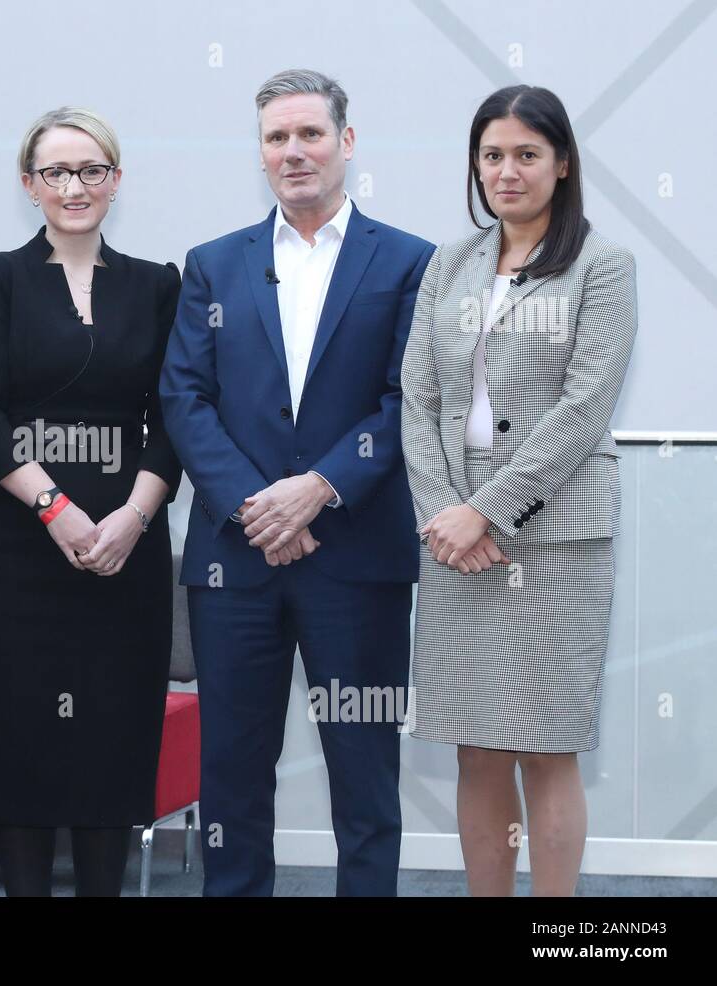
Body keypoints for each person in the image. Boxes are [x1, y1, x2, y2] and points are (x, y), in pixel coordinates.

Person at [160, 69, 434, 896]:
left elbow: (407, 400)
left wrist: (316, 487)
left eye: (310, 133)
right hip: (233, 563)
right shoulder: (212, 265)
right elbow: (185, 396)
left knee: (364, 775)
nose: (293, 151)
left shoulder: (411, 262)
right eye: (277, 137)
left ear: (346, 143)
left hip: (358, 559)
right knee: (233, 773)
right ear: (261, 152)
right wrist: (258, 504)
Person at [401, 85, 637, 897]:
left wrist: (484, 511)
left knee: (545, 742)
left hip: (555, 537)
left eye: (527, 155)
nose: (507, 171)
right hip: (453, 541)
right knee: (476, 744)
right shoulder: (450, 262)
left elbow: (583, 409)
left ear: (562, 164)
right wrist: (443, 513)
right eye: (493, 155)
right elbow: (420, 397)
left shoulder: (604, 266)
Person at [0, 107, 183, 896]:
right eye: (56, 171)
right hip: (11, 545)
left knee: (112, 737)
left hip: (127, 543)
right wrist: (56, 508)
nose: (74, 186)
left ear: (116, 181)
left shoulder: (157, 284)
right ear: (29, 185)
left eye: (91, 170)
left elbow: (174, 415)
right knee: (17, 738)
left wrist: (135, 516)